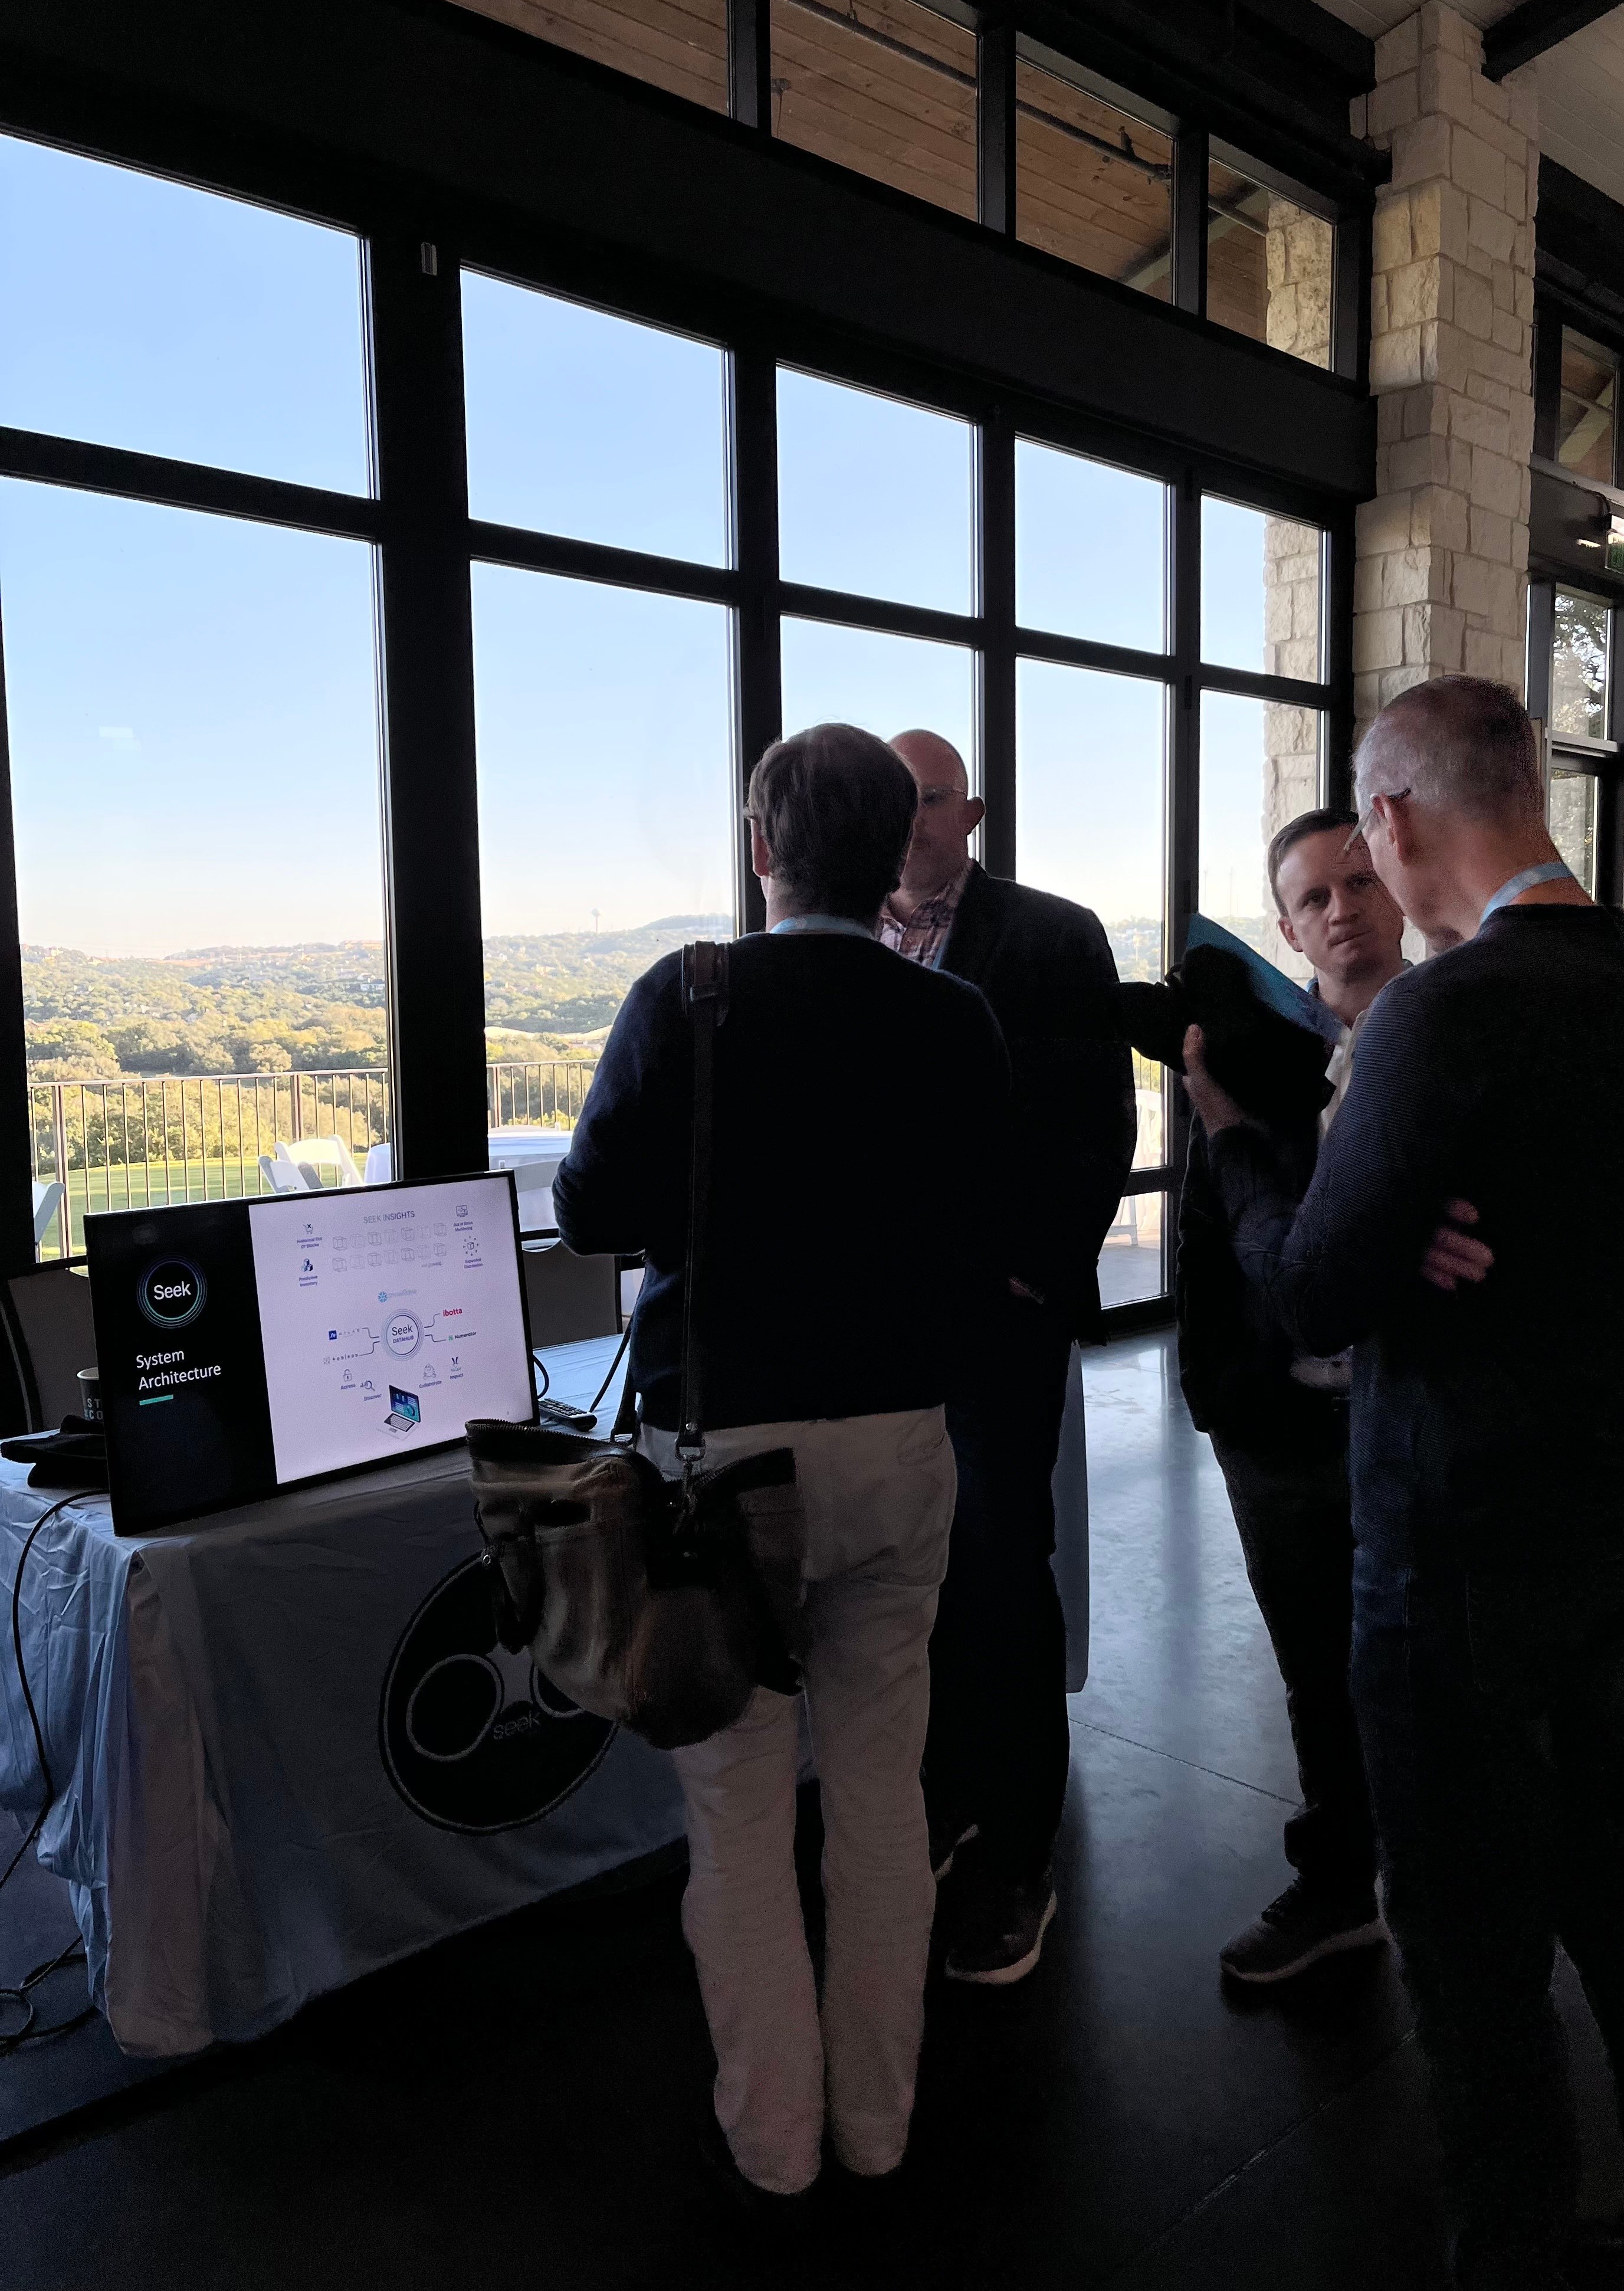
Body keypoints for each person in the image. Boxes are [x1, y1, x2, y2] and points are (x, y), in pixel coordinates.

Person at [1182, 677, 1624, 2290]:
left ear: (1391, 818)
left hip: (1451, 1539)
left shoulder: (1448, 1013)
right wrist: (1397, 1218)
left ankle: (1513, 2246)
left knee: (1461, 1936)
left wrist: (1240, 1144)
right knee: (1599, 1871)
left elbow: (1313, 1292)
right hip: (1603, 1508)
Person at [553, 723, 1011, 2214]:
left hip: (724, 1455)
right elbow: (984, 1225)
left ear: (762, 847)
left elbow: (590, 1211)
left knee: (741, 1813)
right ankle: (881, 2125)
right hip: (901, 1443)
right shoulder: (956, 1019)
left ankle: (775, 2143)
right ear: (897, 856)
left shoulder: (686, 996)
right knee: (883, 1794)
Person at [880, 729, 1136, 1985]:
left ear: (970, 813)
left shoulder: (1051, 936)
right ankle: (938, 1803)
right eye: (889, 803)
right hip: (870, 1330)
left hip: (996, 1319)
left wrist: (1035, 1271)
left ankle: (1020, 1846)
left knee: (998, 1564)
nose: (908, 824)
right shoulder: (837, 937)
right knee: (898, 1576)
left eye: (927, 801)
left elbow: (1098, 1123)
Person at [1177, 807, 1407, 1984]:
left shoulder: (1440, 1041)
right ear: (1284, 928)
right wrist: (1217, 1392)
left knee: (1427, 1670)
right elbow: (1210, 1234)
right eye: (1312, 896)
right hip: (1274, 1418)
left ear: (1397, 887)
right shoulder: (1245, 1054)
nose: (1339, 909)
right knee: (1315, 1670)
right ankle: (1338, 1882)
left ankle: (1452, 1893)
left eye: (1357, 883)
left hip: (1410, 1418)